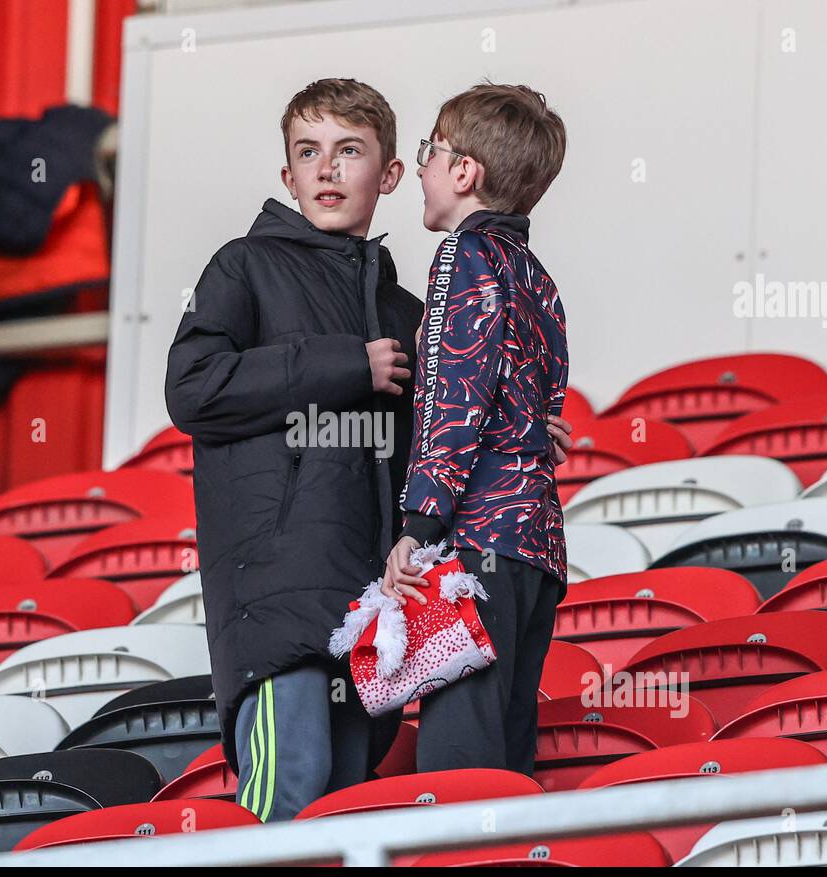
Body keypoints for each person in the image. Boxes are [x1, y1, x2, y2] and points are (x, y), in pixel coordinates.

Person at [166, 78, 573, 822]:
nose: (326, 169)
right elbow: (190, 387)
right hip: (279, 605)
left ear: (388, 175)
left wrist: (522, 423)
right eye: (308, 153)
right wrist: (348, 363)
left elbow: (455, 408)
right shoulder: (241, 266)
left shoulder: (408, 308)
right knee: (293, 790)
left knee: (348, 811)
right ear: (287, 176)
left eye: (348, 151)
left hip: (374, 606)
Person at [383, 83, 571, 777]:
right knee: (508, 760)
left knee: (457, 765)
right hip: (537, 549)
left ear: (464, 171)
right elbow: (545, 405)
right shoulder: (537, 276)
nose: (422, 168)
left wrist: (419, 524)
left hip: (479, 544)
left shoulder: (463, 257)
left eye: (430, 151)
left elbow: (453, 398)